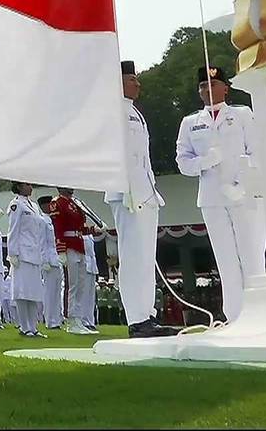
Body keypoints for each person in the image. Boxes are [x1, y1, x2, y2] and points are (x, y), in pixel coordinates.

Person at [175, 65, 263, 324]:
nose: (207, 89)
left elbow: (257, 151)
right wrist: (205, 161)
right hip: (212, 198)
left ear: (226, 87)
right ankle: (235, 317)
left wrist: (242, 183)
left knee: (251, 256)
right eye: (203, 86)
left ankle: (259, 313)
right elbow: (183, 162)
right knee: (225, 260)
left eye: (213, 84)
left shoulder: (242, 114)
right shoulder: (191, 123)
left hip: (243, 196)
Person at [109, 61, 175, 337]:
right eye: (132, 79)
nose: (138, 84)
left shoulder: (135, 113)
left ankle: (147, 315)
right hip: (127, 192)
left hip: (145, 192)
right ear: (120, 81)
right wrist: (126, 188)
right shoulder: (112, 112)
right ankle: (136, 319)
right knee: (133, 256)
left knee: (146, 256)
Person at [51, 188, 96, 336]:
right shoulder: (57, 203)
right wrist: (61, 250)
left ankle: (78, 318)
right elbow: (58, 228)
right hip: (69, 245)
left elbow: (80, 227)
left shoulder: (75, 203)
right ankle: (71, 319)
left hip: (79, 244)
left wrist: (93, 229)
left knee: (81, 285)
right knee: (72, 285)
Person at [5, 181, 48, 338]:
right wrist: (12, 253)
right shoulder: (16, 205)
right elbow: (13, 230)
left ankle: (33, 326)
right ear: (18, 187)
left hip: (34, 254)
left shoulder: (34, 206)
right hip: (22, 254)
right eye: (27, 185)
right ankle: (24, 327)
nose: (31, 187)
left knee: (33, 293)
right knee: (22, 293)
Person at [36, 195, 65, 330]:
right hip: (48, 260)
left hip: (56, 259)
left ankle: (57, 319)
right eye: (49, 204)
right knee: (49, 292)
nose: (51, 207)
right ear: (43, 206)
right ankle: (50, 320)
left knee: (57, 291)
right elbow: (41, 242)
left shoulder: (53, 220)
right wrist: (44, 261)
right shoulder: (42, 220)